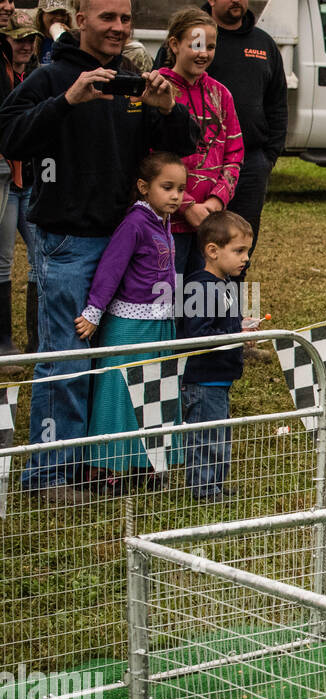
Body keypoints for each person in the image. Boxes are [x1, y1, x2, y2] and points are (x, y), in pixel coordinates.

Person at [0, 0, 198, 503]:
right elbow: (10, 137)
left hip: (127, 239)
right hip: (68, 239)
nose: (118, 27)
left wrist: (167, 108)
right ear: (80, 19)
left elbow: (181, 146)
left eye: (125, 18)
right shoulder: (50, 76)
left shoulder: (133, 80)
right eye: (107, 17)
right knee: (66, 359)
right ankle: (49, 474)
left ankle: (104, 461)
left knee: (116, 359)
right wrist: (68, 100)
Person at [76, 154, 187, 488]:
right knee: (121, 391)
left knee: (154, 389)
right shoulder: (135, 224)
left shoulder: (163, 222)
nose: (176, 196)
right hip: (129, 328)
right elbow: (111, 268)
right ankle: (104, 468)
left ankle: (145, 462)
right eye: (167, 187)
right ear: (143, 187)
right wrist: (93, 312)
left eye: (181, 189)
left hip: (160, 324)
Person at [182, 0, 286, 274]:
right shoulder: (192, 37)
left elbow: (277, 104)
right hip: (196, 166)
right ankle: (193, 301)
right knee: (192, 253)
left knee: (237, 249)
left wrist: (267, 158)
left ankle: (230, 301)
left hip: (248, 164)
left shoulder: (264, 44)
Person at [158, 7, 243, 279]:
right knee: (167, 295)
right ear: (174, 44)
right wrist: (186, 205)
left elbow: (234, 153)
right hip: (166, 226)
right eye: (196, 45)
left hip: (210, 226)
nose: (203, 53)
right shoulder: (158, 91)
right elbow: (150, 157)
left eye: (211, 46)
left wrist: (217, 201)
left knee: (204, 296)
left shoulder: (222, 94)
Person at [178, 210, 254, 501]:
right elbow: (198, 335)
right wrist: (235, 335)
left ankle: (216, 484)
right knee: (205, 436)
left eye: (246, 251)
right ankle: (203, 488)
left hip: (220, 377)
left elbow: (222, 323)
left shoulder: (224, 284)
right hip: (203, 378)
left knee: (219, 435)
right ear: (212, 251)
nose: (246, 258)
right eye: (239, 251)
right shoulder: (200, 287)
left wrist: (242, 325)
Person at [0, 8, 38, 355]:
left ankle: (37, 342)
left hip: (29, 178)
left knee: (40, 258)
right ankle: (4, 342)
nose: (25, 46)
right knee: (4, 261)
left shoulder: (37, 74)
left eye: (30, 40)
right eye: (18, 40)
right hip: (4, 176)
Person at [34, 0, 72, 67]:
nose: (59, 17)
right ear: (41, 15)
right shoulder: (32, 41)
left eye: (63, 14)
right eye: (53, 13)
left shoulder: (74, 40)